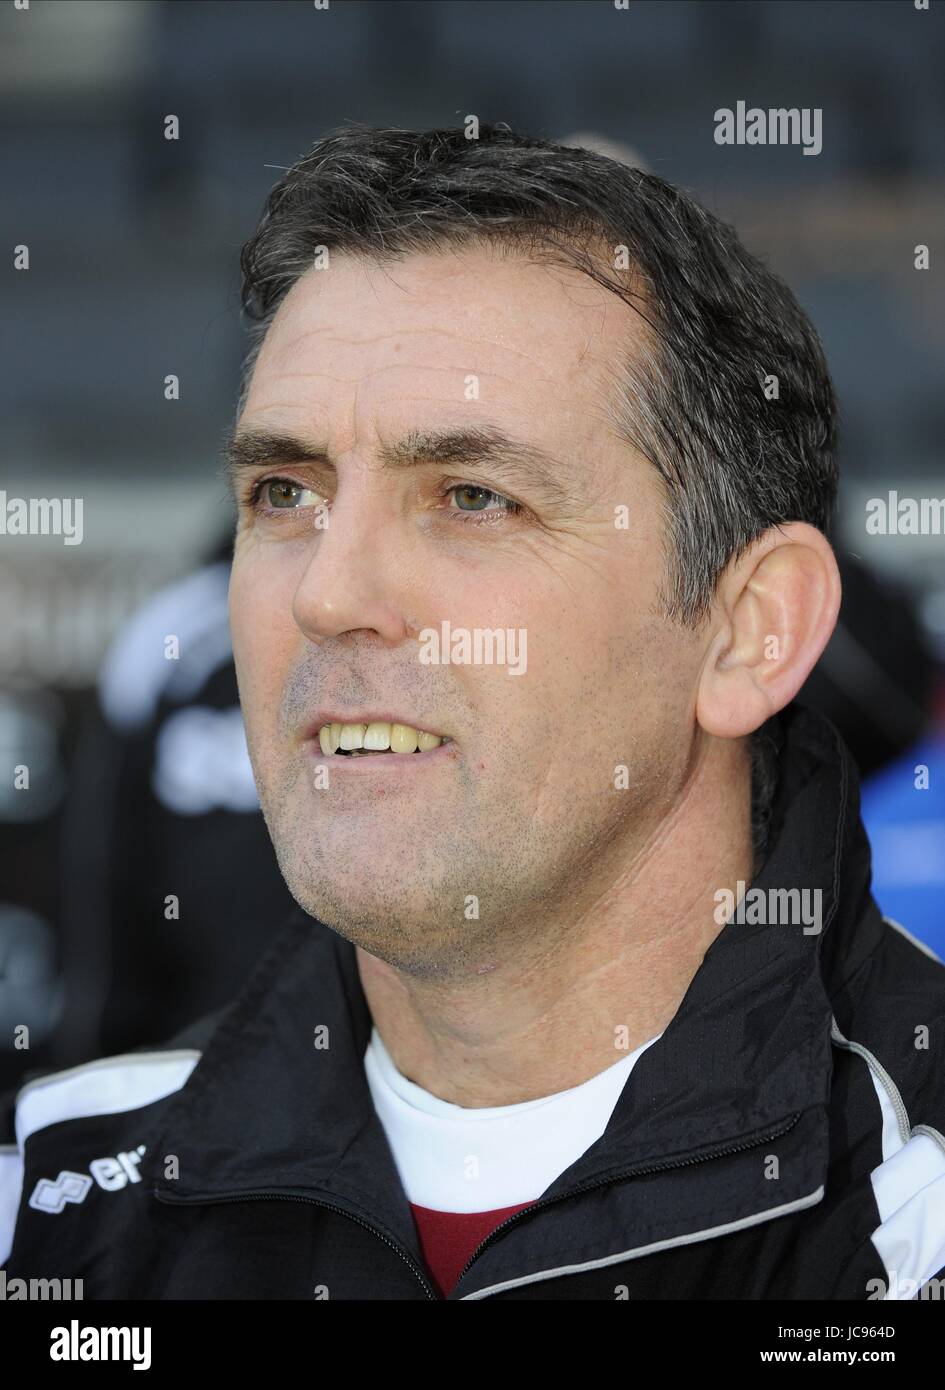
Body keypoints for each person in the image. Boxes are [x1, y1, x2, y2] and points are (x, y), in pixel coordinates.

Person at [2, 122, 943, 1301]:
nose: (329, 593)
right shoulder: (48, 1212)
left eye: (473, 497)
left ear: (751, 630)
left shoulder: (914, 1215)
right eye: (284, 492)